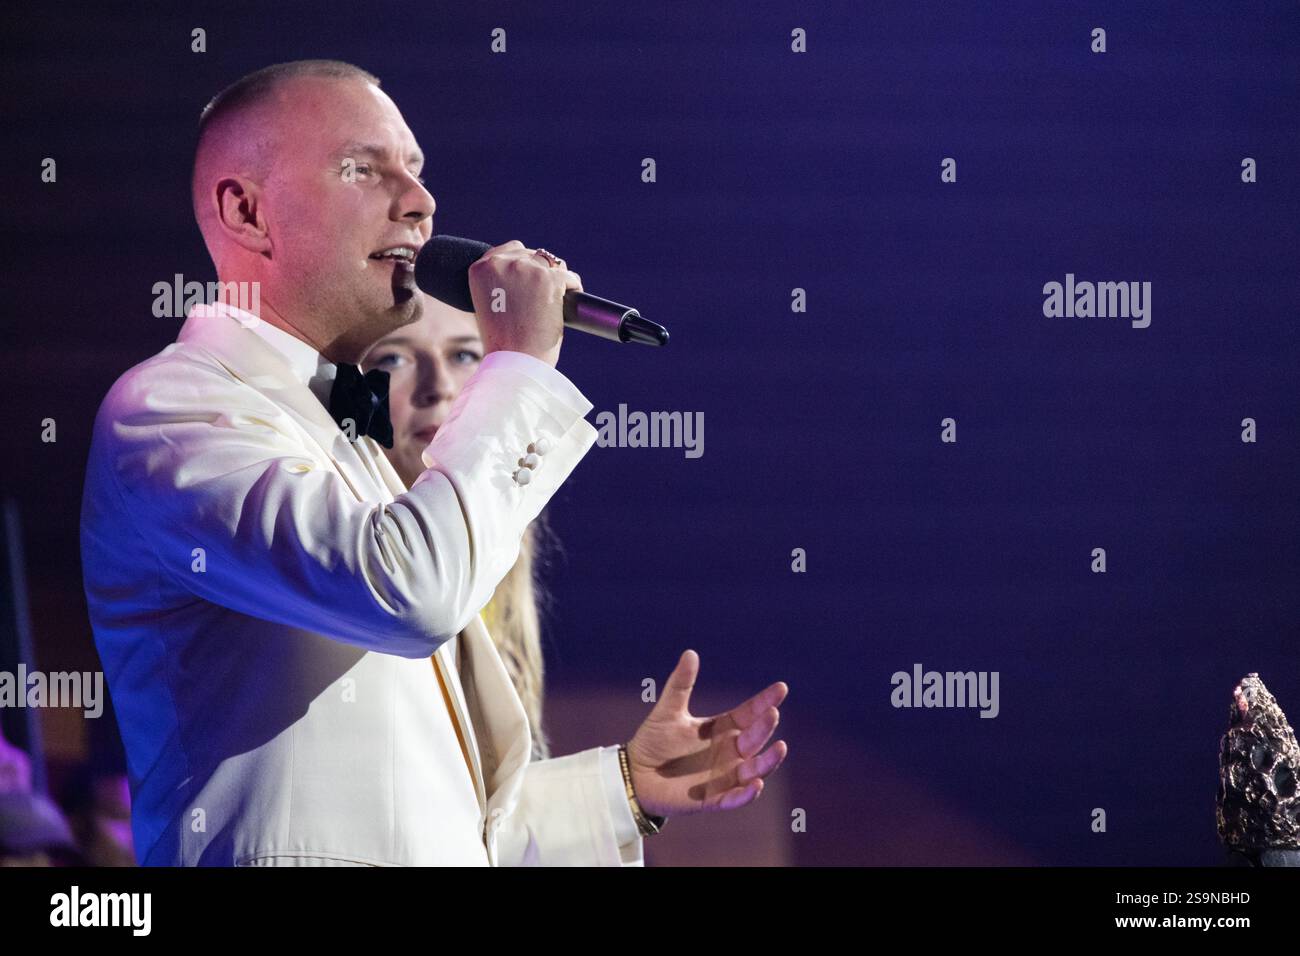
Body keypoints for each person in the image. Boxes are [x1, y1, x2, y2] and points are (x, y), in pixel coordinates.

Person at [80, 59, 788, 867]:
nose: (420, 203)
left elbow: (442, 832)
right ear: (247, 210)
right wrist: (516, 367)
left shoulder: (347, 447)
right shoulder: (172, 411)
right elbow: (410, 592)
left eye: (415, 172)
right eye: (365, 168)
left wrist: (622, 786)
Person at [361, 293, 556, 761]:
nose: (439, 385)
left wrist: (629, 785)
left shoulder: (501, 545)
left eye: (465, 355)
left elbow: (479, 825)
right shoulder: (344, 564)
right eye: (395, 357)